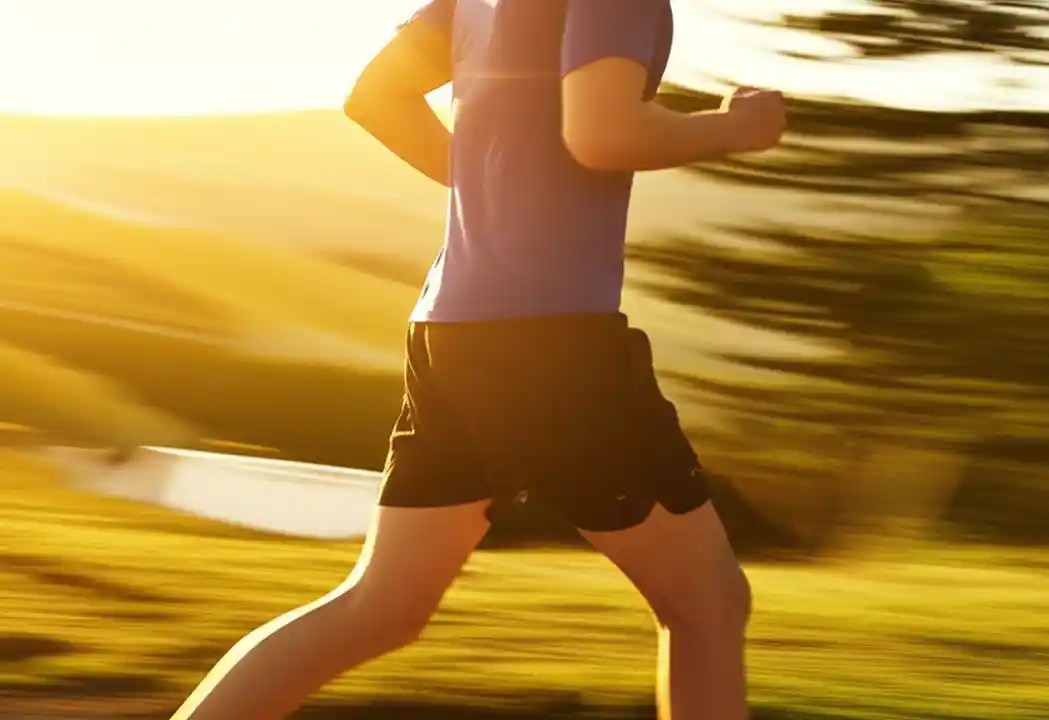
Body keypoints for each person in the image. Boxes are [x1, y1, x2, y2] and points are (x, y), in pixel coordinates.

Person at [170, 1, 785, 718]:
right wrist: (736, 128)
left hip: (451, 333)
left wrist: (489, 185)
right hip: (553, 345)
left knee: (383, 607)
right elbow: (603, 132)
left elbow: (374, 96)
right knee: (706, 602)